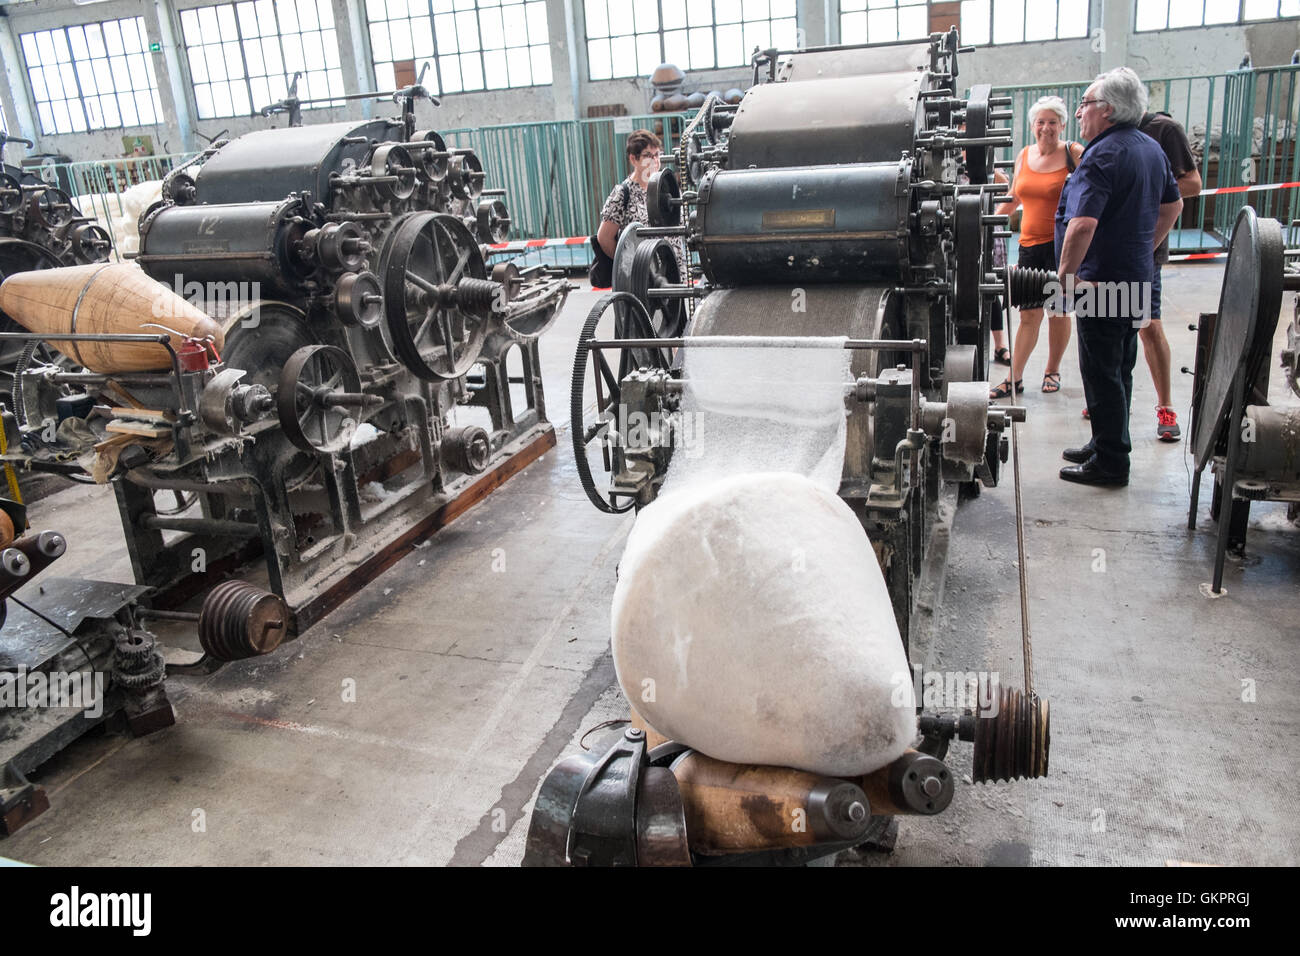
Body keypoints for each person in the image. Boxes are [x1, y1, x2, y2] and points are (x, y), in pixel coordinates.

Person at [1055, 67, 1183, 487]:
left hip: (1100, 282)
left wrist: (1064, 278)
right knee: (1120, 366)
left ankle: (1111, 463)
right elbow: (1173, 206)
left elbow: (1082, 225)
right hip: (1136, 277)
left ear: (1107, 110)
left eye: (1085, 105)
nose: (1079, 114)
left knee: (1100, 370)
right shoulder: (1148, 147)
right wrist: (1143, 247)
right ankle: (1108, 441)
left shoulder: (1102, 154)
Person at [991, 96, 1084, 399]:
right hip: (1029, 247)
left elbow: (1092, 192)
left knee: (1058, 310)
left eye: (1052, 122)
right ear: (1032, 126)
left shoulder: (1073, 153)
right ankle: (1014, 377)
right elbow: (1014, 198)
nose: (1046, 128)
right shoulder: (1024, 155)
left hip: (1061, 246)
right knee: (1029, 314)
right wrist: (988, 222)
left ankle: (1052, 370)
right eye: (1040, 122)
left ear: (1063, 125)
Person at [1136, 108, 1201, 441]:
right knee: (1108, 326)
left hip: (1145, 247)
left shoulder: (1163, 129)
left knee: (1148, 325)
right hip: (1107, 253)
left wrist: (1146, 184)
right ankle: (1107, 401)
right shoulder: (1104, 132)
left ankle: (1166, 407)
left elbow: (1192, 183)